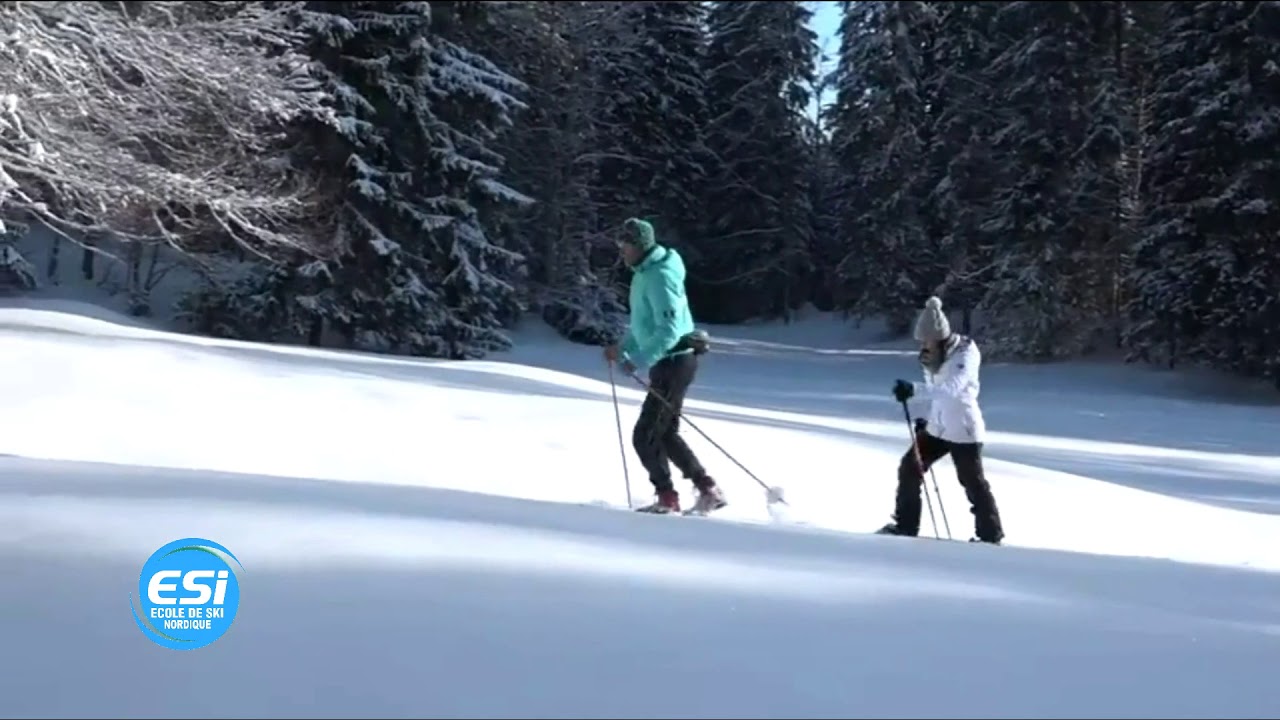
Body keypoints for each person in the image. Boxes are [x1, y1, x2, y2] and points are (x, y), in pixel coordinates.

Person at [604, 217, 726, 515]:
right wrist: (623, 348)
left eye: (625, 244)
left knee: (645, 435)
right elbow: (643, 324)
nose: (622, 250)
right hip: (668, 362)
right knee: (665, 433)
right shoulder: (643, 274)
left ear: (640, 245)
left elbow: (669, 329)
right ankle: (707, 489)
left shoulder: (659, 276)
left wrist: (638, 360)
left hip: (675, 361)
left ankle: (667, 498)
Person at [878, 296, 1005, 544]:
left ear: (940, 338)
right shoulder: (932, 356)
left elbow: (950, 390)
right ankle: (905, 526)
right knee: (909, 468)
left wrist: (913, 389)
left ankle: (990, 535)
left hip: (963, 429)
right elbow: (937, 393)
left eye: (927, 340)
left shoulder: (965, 354)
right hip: (938, 428)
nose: (924, 345)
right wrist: (928, 420)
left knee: (972, 482)